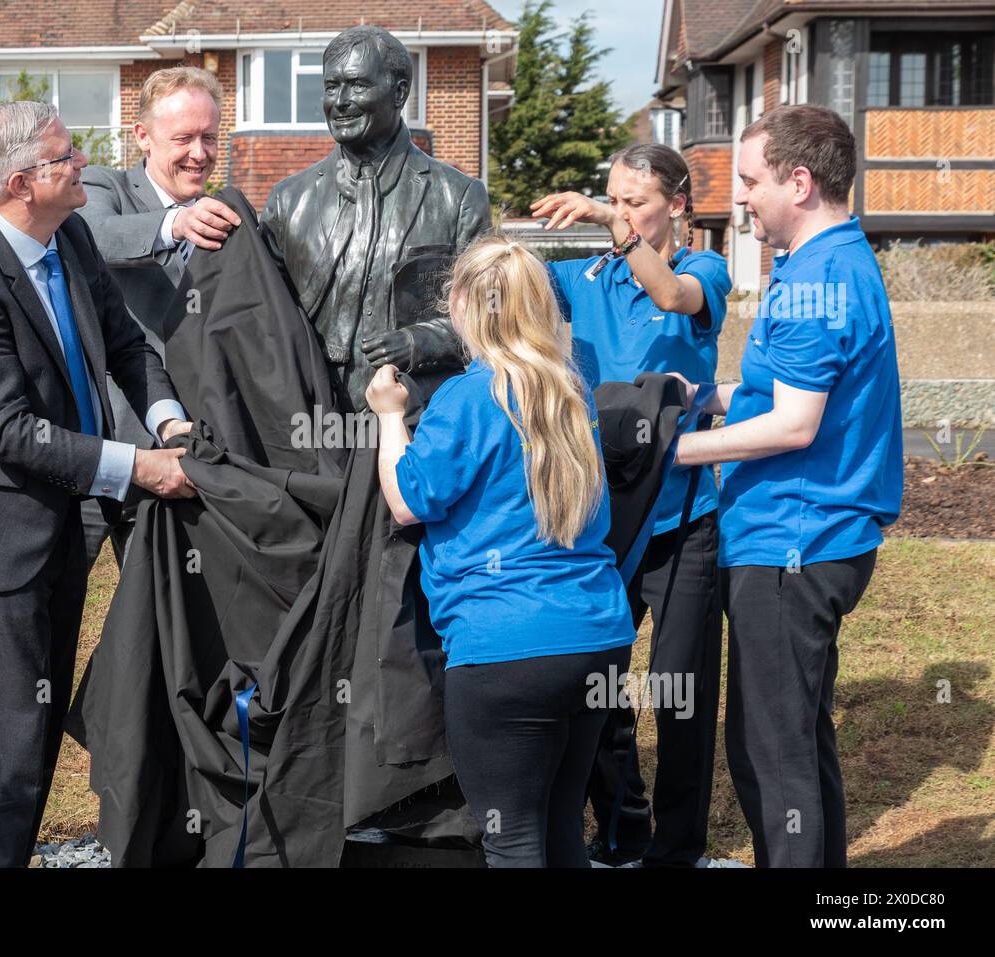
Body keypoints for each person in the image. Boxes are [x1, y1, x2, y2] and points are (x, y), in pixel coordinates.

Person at [0, 101, 195, 867]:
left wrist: (168, 423)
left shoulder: (67, 234)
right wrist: (139, 466)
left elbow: (124, 341)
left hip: (61, 529)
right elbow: (8, 431)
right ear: (20, 182)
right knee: (4, 754)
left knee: (34, 739)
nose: (83, 165)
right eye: (66, 156)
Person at [673, 104, 904, 867]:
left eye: (749, 180)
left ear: (798, 181)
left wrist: (677, 450)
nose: (739, 197)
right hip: (821, 536)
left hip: (793, 541)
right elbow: (787, 396)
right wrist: (708, 396)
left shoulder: (814, 278)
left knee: (770, 754)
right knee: (799, 735)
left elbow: (794, 426)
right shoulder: (837, 260)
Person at [366, 234, 636, 867]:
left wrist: (388, 417)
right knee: (561, 824)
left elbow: (408, 501)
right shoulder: (572, 391)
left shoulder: (467, 398)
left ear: (461, 306)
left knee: (510, 837)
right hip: (596, 636)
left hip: (504, 647)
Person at [530, 145, 731, 867]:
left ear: (676, 205)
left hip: (683, 523)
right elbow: (506, 294)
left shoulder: (703, 271)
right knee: (596, 685)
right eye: (613, 198)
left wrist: (611, 226)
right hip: (599, 520)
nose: (621, 212)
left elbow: (671, 295)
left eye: (635, 201)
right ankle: (621, 833)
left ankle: (679, 851)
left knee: (680, 695)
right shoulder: (582, 277)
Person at [261, 24, 490, 414]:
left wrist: (422, 342)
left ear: (399, 92)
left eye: (358, 85)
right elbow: (262, 314)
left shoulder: (459, 197)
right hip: (311, 424)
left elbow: (494, 314)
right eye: (331, 87)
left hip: (416, 419)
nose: (341, 101)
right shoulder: (288, 200)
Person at [77, 66, 242, 570]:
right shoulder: (99, 186)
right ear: (143, 137)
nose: (199, 152)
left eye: (209, 137)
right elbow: (99, 235)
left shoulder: (227, 217)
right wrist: (176, 222)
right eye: (184, 137)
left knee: (164, 613)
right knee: (51, 610)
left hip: (180, 453)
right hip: (95, 447)